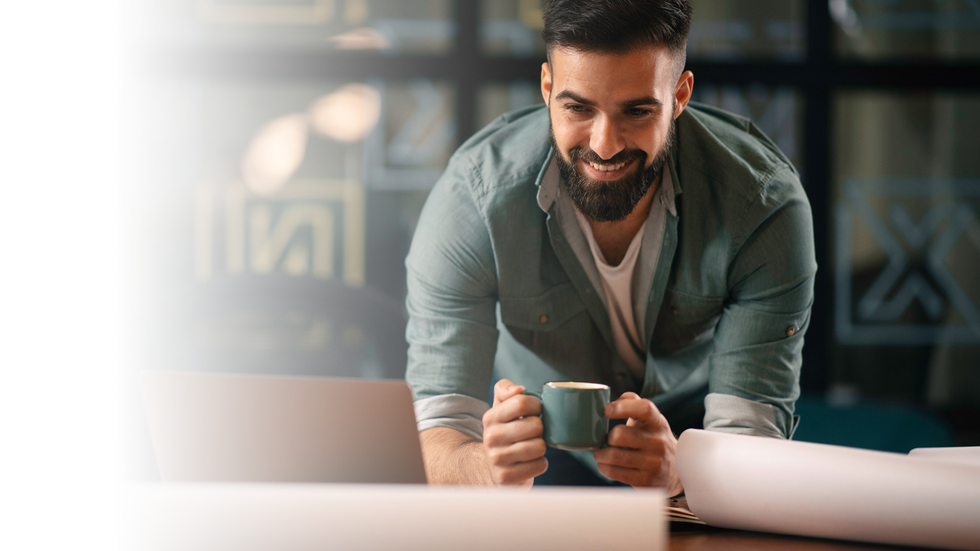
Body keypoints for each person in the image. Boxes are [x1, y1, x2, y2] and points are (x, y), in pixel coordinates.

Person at [404, 0, 816, 494]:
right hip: (532, 452)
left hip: (697, 442)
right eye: (578, 108)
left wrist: (682, 471)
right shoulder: (472, 203)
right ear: (547, 89)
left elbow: (752, 447)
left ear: (680, 95)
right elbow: (431, 442)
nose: (604, 145)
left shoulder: (762, 207)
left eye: (637, 111)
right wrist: (483, 469)